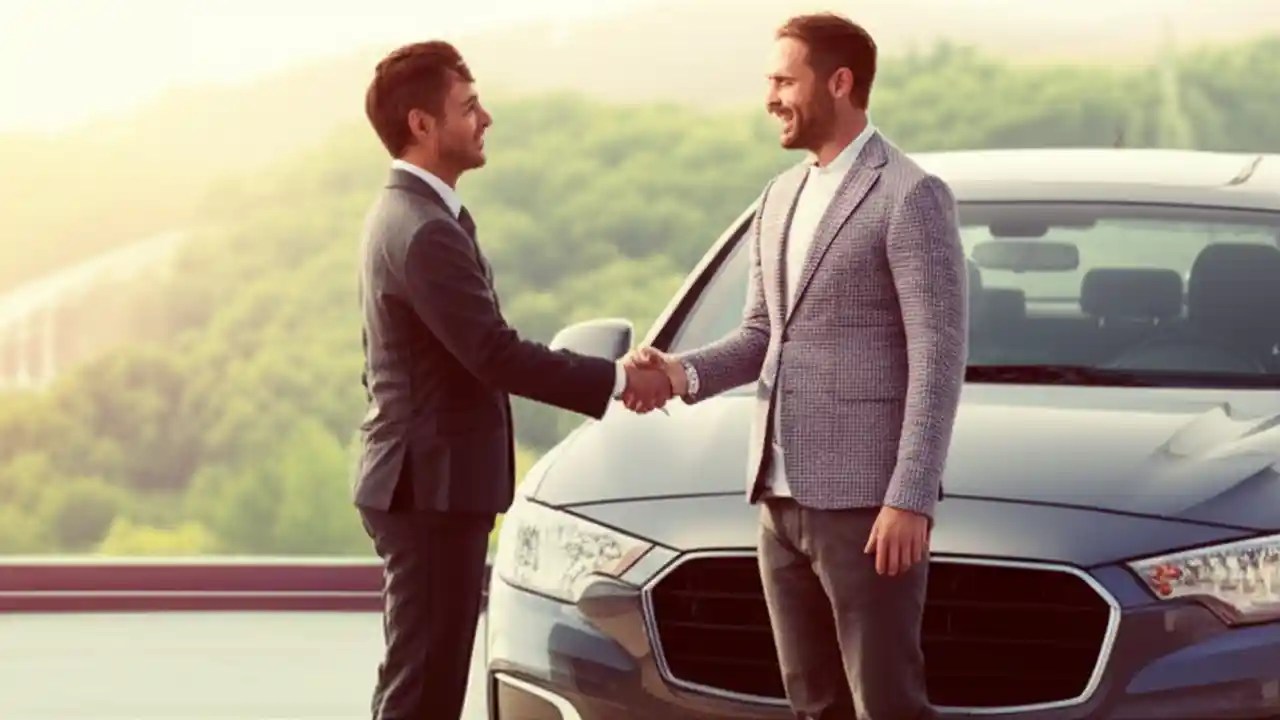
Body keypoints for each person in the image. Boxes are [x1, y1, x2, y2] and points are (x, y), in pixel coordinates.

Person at [625, 12, 967, 720]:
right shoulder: (779, 196)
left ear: (839, 83)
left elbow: (938, 357)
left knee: (889, 704)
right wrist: (677, 374)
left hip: (866, 507)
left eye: (784, 80)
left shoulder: (910, 195)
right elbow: (761, 335)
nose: (771, 98)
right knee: (811, 702)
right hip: (777, 503)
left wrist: (911, 497)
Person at [353, 41, 671, 720]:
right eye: (469, 108)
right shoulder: (424, 230)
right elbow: (493, 354)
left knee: (422, 677)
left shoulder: (407, 215)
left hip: (423, 484)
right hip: (430, 491)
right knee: (424, 689)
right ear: (421, 125)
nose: (486, 118)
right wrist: (616, 379)